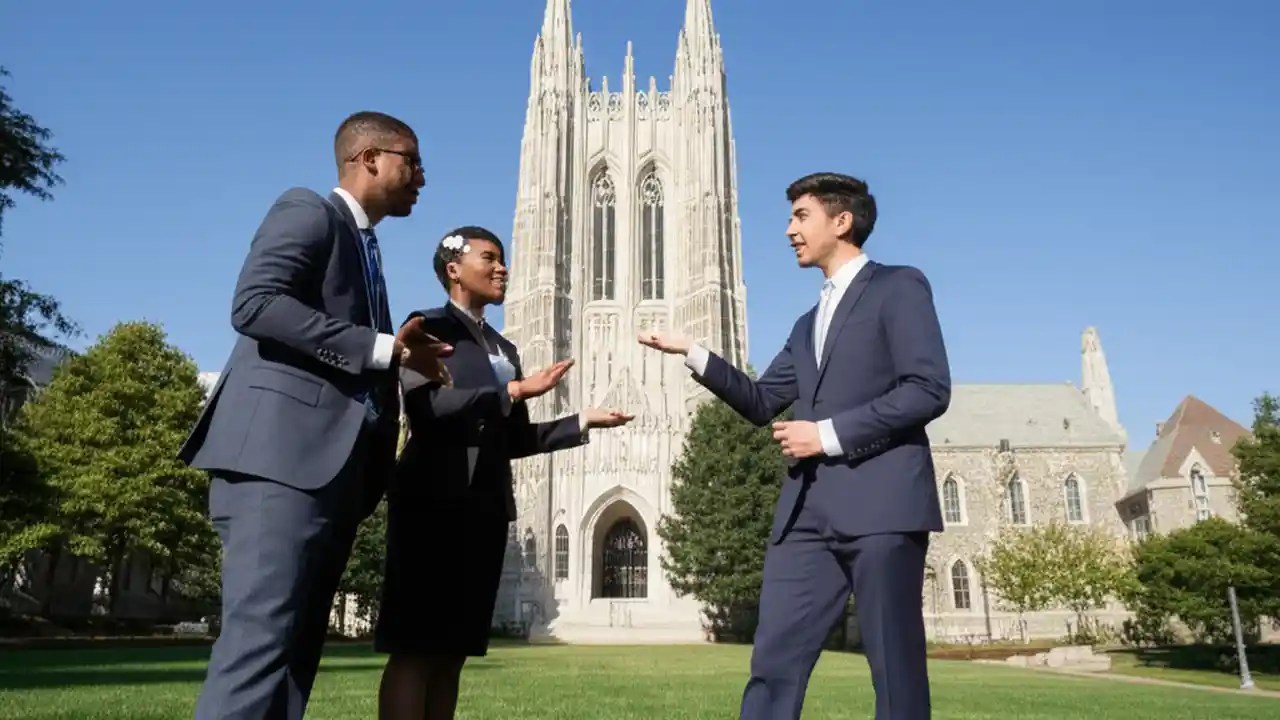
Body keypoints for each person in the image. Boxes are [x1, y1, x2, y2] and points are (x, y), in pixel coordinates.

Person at [639, 172, 951, 720]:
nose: (788, 230)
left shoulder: (898, 286)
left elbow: (927, 390)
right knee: (774, 662)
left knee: (895, 670)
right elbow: (761, 401)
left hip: (882, 508)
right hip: (805, 518)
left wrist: (826, 434)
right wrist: (694, 351)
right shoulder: (808, 323)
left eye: (799, 216)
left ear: (842, 220)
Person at [178, 110, 447, 720]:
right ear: (368, 158)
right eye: (412, 161)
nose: (422, 178)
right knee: (256, 652)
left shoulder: (367, 249)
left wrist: (399, 362)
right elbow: (256, 304)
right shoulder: (308, 211)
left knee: (293, 659)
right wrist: (381, 347)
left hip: (330, 479)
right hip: (280, 467)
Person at [375, 226, 633, 720]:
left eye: (503, 259)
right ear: (454, 269)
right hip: (432, 498)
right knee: (415, 647)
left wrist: (581, 421)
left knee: (453, 651)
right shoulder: (426, 327)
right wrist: (512, 392)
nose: (502, 268)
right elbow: (429, 411)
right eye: (488, 258)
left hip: (485, 506)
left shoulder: (503, 347)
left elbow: (513, 440)